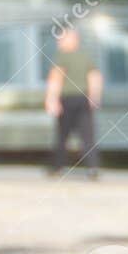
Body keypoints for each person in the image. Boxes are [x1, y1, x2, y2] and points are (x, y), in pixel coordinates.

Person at [45, 25, 103, 178]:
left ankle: (58, 168)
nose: (59, 42)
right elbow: (95, 76)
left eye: (62, 39)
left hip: (67, 99)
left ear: (73, 39)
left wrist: (52, 99)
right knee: (87, 135)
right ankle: (93, 168)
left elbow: (56, 78)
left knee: (62, 135)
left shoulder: (62, 56)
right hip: (84, 99)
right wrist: (94, 97)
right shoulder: (85, 56)